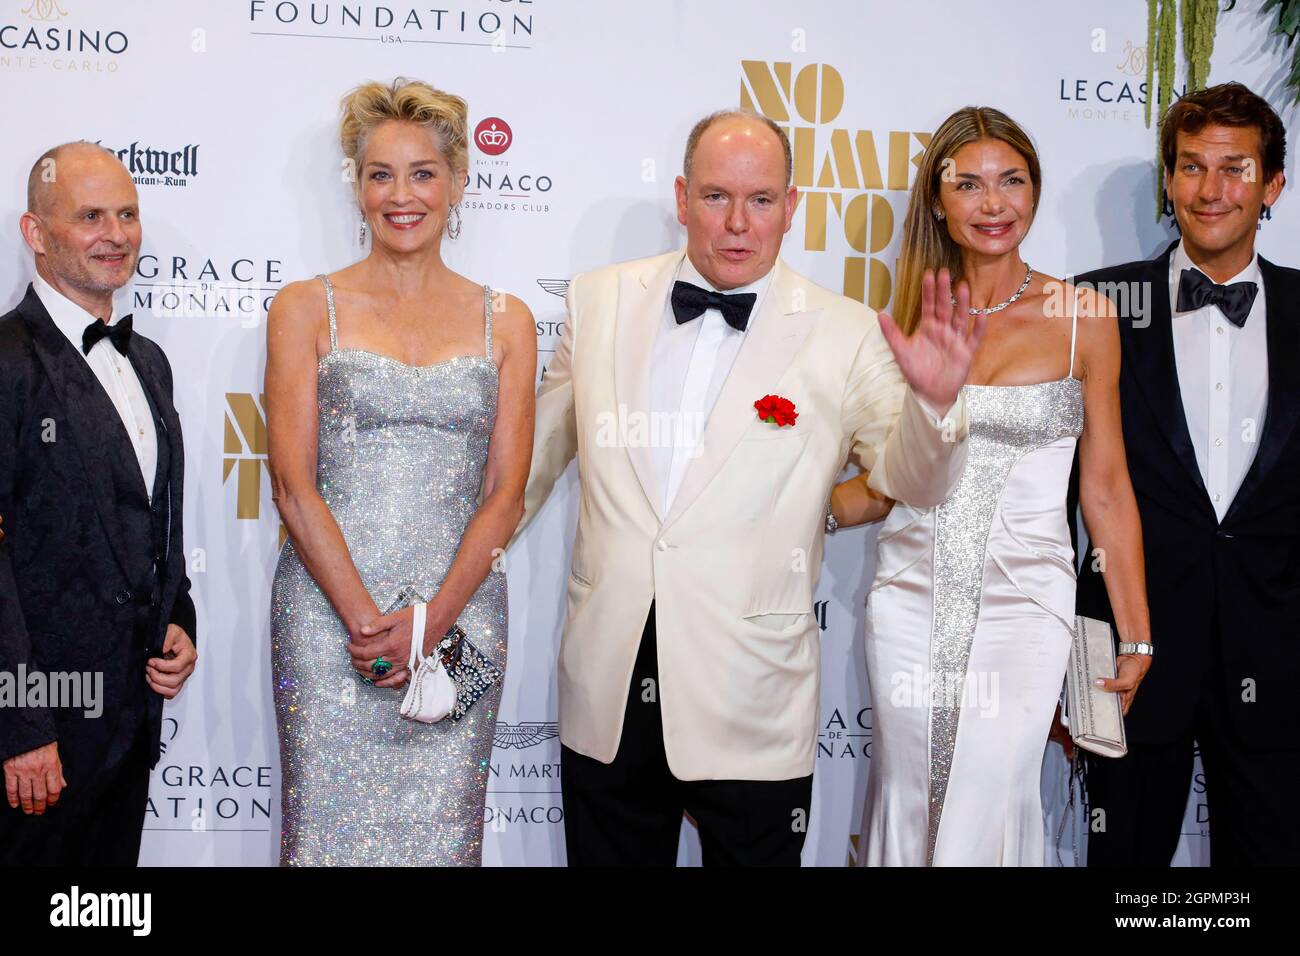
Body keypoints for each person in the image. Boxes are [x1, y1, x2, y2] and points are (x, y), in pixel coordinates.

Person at [514, 109, 980, 867]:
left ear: (792, 206)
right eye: (715, 197)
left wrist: (933, 409)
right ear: (680, 197)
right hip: (609, 679)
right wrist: (447, 574)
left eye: (761, 200)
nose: (738, 223)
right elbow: (530, 467)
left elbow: (917, 483)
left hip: (752, 693)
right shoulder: (599, 300)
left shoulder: (845, 331)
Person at [836, 107, 1151, 866]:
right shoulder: (893, 321)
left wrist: (1135, 632)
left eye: (1012, 181)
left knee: (987, 795)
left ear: (1035, 193)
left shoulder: (1086, 318)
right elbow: (880, 485)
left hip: (1026, 609)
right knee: (911, 795)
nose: (993, 203)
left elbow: (1104, 486)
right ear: (938, 201)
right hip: (910, 598)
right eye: (969, 184)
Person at [266, 78, 535, 866]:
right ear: (355, 186)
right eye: (380, 174)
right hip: (326, 619)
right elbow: (293, 486)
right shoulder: (305, 308)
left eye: (422, 172)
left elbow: (505, 495)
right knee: (324, 837)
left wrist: (428, 623)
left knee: (443, 839)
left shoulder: (508, 320)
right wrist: (364, 620)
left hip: (461, 617)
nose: (402, 195)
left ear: (457, 183)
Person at [1073, 82, 1300, 866]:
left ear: (1272, 185)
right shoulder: (1097, 303)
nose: (1212, 190)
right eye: (1192, 167)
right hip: (1129, 653)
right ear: (1168, 181)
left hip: (1277, 652)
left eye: (1236, 169)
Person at [0, 141, 198, 866]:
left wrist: (180, 617)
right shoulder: (8, 360)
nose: (116, 235)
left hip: (130, 720)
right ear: (36, 233)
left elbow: (154, 520)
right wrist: (18, 726)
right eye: (89, 216)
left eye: (127, 214)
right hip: (39, 728)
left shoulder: (148, 362)